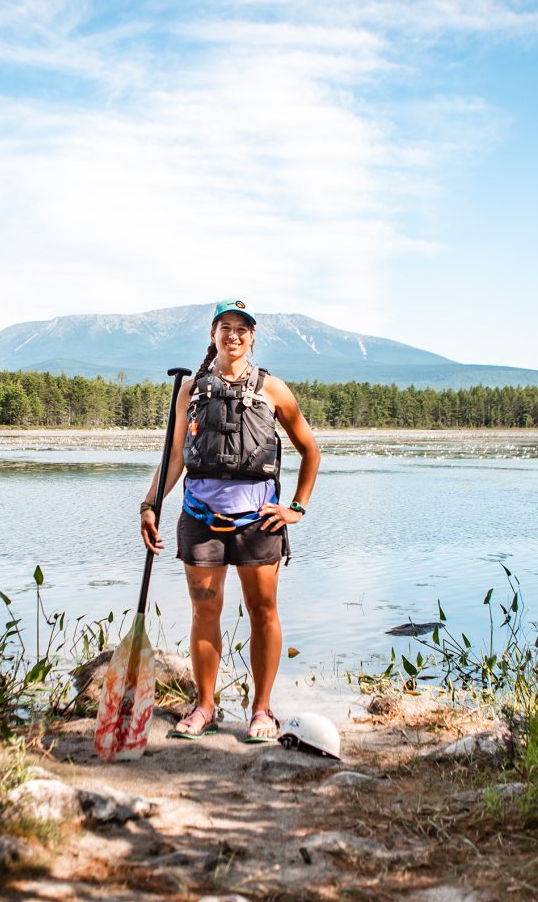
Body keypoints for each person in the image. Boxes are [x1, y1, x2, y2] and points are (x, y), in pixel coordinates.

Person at [139, 299, 321, 743]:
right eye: (225, 326)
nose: (233, 335)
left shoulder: (273, 389)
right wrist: (148, 505)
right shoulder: (192, 390)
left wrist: (296, 508)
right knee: (205, 611)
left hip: (259, 522)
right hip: (200, 517)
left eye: (242, 328)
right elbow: (176, 457)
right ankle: (204, 707)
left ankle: (262, 711)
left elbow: (310, 451)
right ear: (213, 333)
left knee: (263, 611)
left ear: (252, 336)